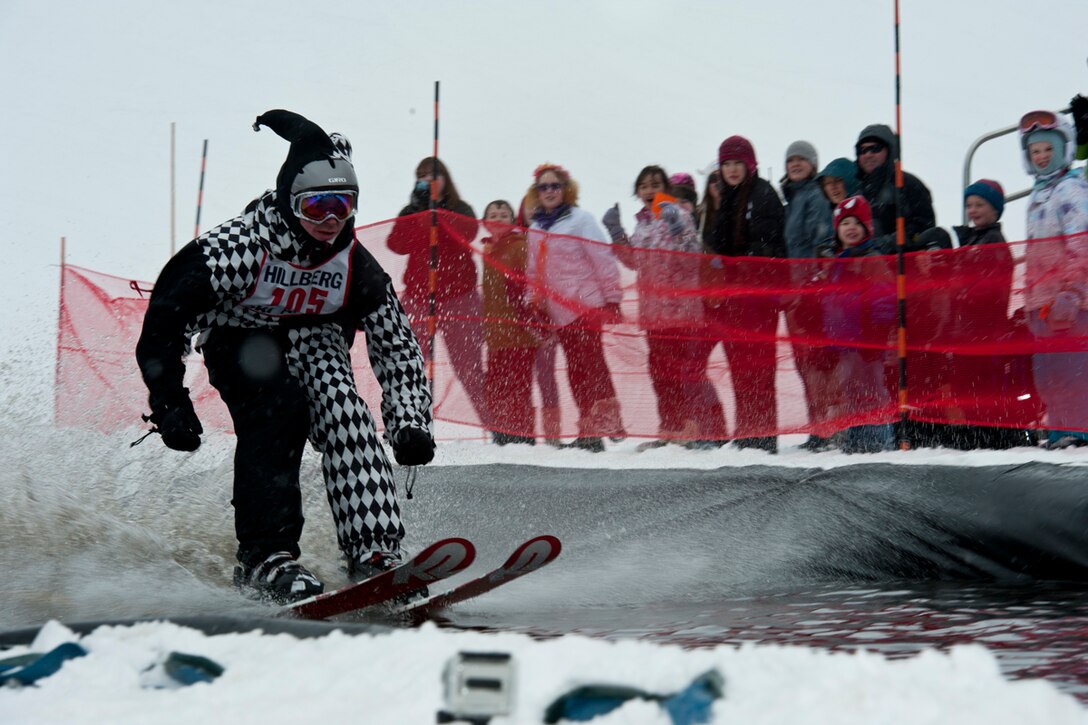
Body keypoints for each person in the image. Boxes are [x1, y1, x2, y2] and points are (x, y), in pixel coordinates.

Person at [135, 110, 435, 604]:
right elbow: (167, 315)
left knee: (346, 415)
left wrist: (408, 421)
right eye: (316, 207)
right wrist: (170, 403)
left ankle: (374, 552)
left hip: (317, 339)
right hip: (240, 338)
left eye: (343, 205)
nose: (331, 220)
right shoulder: (240, 247)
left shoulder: (354, 265)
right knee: (278, 409)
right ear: (289, 203)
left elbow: (396, 344)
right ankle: (265, 558)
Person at [603, 166, 708, 447]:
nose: (649, 190)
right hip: (653, 312)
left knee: (681, 371)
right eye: (644, 185)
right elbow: (633, 262)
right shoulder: (643, 224)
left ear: (665, 189)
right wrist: (616, 233)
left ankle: (692, 428)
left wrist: (678, 230)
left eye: (655, 184)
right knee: (659, 372)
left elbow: (693, 256)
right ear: (638, 192)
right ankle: (669, 428)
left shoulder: (678, 214)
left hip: (680, 309)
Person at [525, 163, 625, 452]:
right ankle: (589, 430)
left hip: (587, 303)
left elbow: (602, 258)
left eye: (555, 185)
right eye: (544, 187)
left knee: (591, 362)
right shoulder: (535, 229)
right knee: (575, 369)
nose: (550, 191)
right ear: (537, 192)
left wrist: (613, 298)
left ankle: (610, 423)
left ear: (565, 189)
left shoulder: (581, 220)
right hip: (559, 311)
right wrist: (533, 302)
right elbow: (534, 271)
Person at [386, 157, 487, 427]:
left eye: (433, 175)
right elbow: (395, 244)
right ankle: (410, 422)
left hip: (459, 298)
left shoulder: (459, 208)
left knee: (469, 366)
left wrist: (438, 217)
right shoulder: (411, 209)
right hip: (419, 297)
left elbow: (468, 233)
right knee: (412, 362)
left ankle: (495, 425)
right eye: (422, 175)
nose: (428, 179)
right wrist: (419, 215)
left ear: (445, 179)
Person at [705, 135, 787, 453]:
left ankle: (763, 435)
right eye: (727, 164)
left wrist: (742, 264)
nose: (733, 169)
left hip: (759, 299)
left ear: (749, 165)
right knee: (739, 366)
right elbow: (718, 242)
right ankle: (746, 430)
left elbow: (770, 247)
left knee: (760, 368)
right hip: (733, 299)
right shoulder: (726, 196)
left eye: (738, 163)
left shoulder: (763, 194)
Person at [1019, 110, 1088, 449]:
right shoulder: (1037, 195)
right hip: (1042, 305)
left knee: (1074, 374)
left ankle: (1079, 435)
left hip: (1071, 305)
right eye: (1036, 151)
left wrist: (1072, 292)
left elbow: (1081, 244)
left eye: (1049, 149)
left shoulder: (1071, 191)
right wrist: (1027, 301)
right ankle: (1061, 432)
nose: (1042, 157)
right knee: (1049, 378)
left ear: (1064, 150)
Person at [816, 196, 896, 453]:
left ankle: (876, 440)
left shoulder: (870, 260)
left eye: (856, 223)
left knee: (871, 391)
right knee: (851, 392)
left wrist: (876, 334)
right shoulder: (838, 262)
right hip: (845, 342)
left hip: (866, 341)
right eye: (845, 223)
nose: (851, 228)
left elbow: (885, 298)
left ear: (866, 227)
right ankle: (858, 438)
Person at [780, 141, 836, 451]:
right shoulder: (792, 199)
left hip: (810, 294)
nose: (796, 164)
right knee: (805, 363)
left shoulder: (814, 196)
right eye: (792, 160)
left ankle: (826, 427)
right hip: (794, 295)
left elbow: (823, 240)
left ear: (813, 165)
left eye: (802, 159)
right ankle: (819, 425)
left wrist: (816, 282)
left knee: (817, 362)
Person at [480, 200, 541, 445]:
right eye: (492, 213)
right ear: (484, 222)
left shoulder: (519, 245)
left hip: (518, 330)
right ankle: (502, 432)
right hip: (495, 332)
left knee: (518, 384)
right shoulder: (487, 250)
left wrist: (527, 314)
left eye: (503, 214)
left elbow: (530, 281)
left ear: (512, 219)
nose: (497, 217)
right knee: (495, 385)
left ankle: (522, 434)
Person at [853, 124, 936, 254]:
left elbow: (925, 227)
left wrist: (892, 242)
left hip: (905, 267)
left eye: (875, 148)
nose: (868, 154)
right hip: (867, 269)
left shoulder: (909, 184)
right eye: (862, 150)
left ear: (889, 151)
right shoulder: (857, 194)